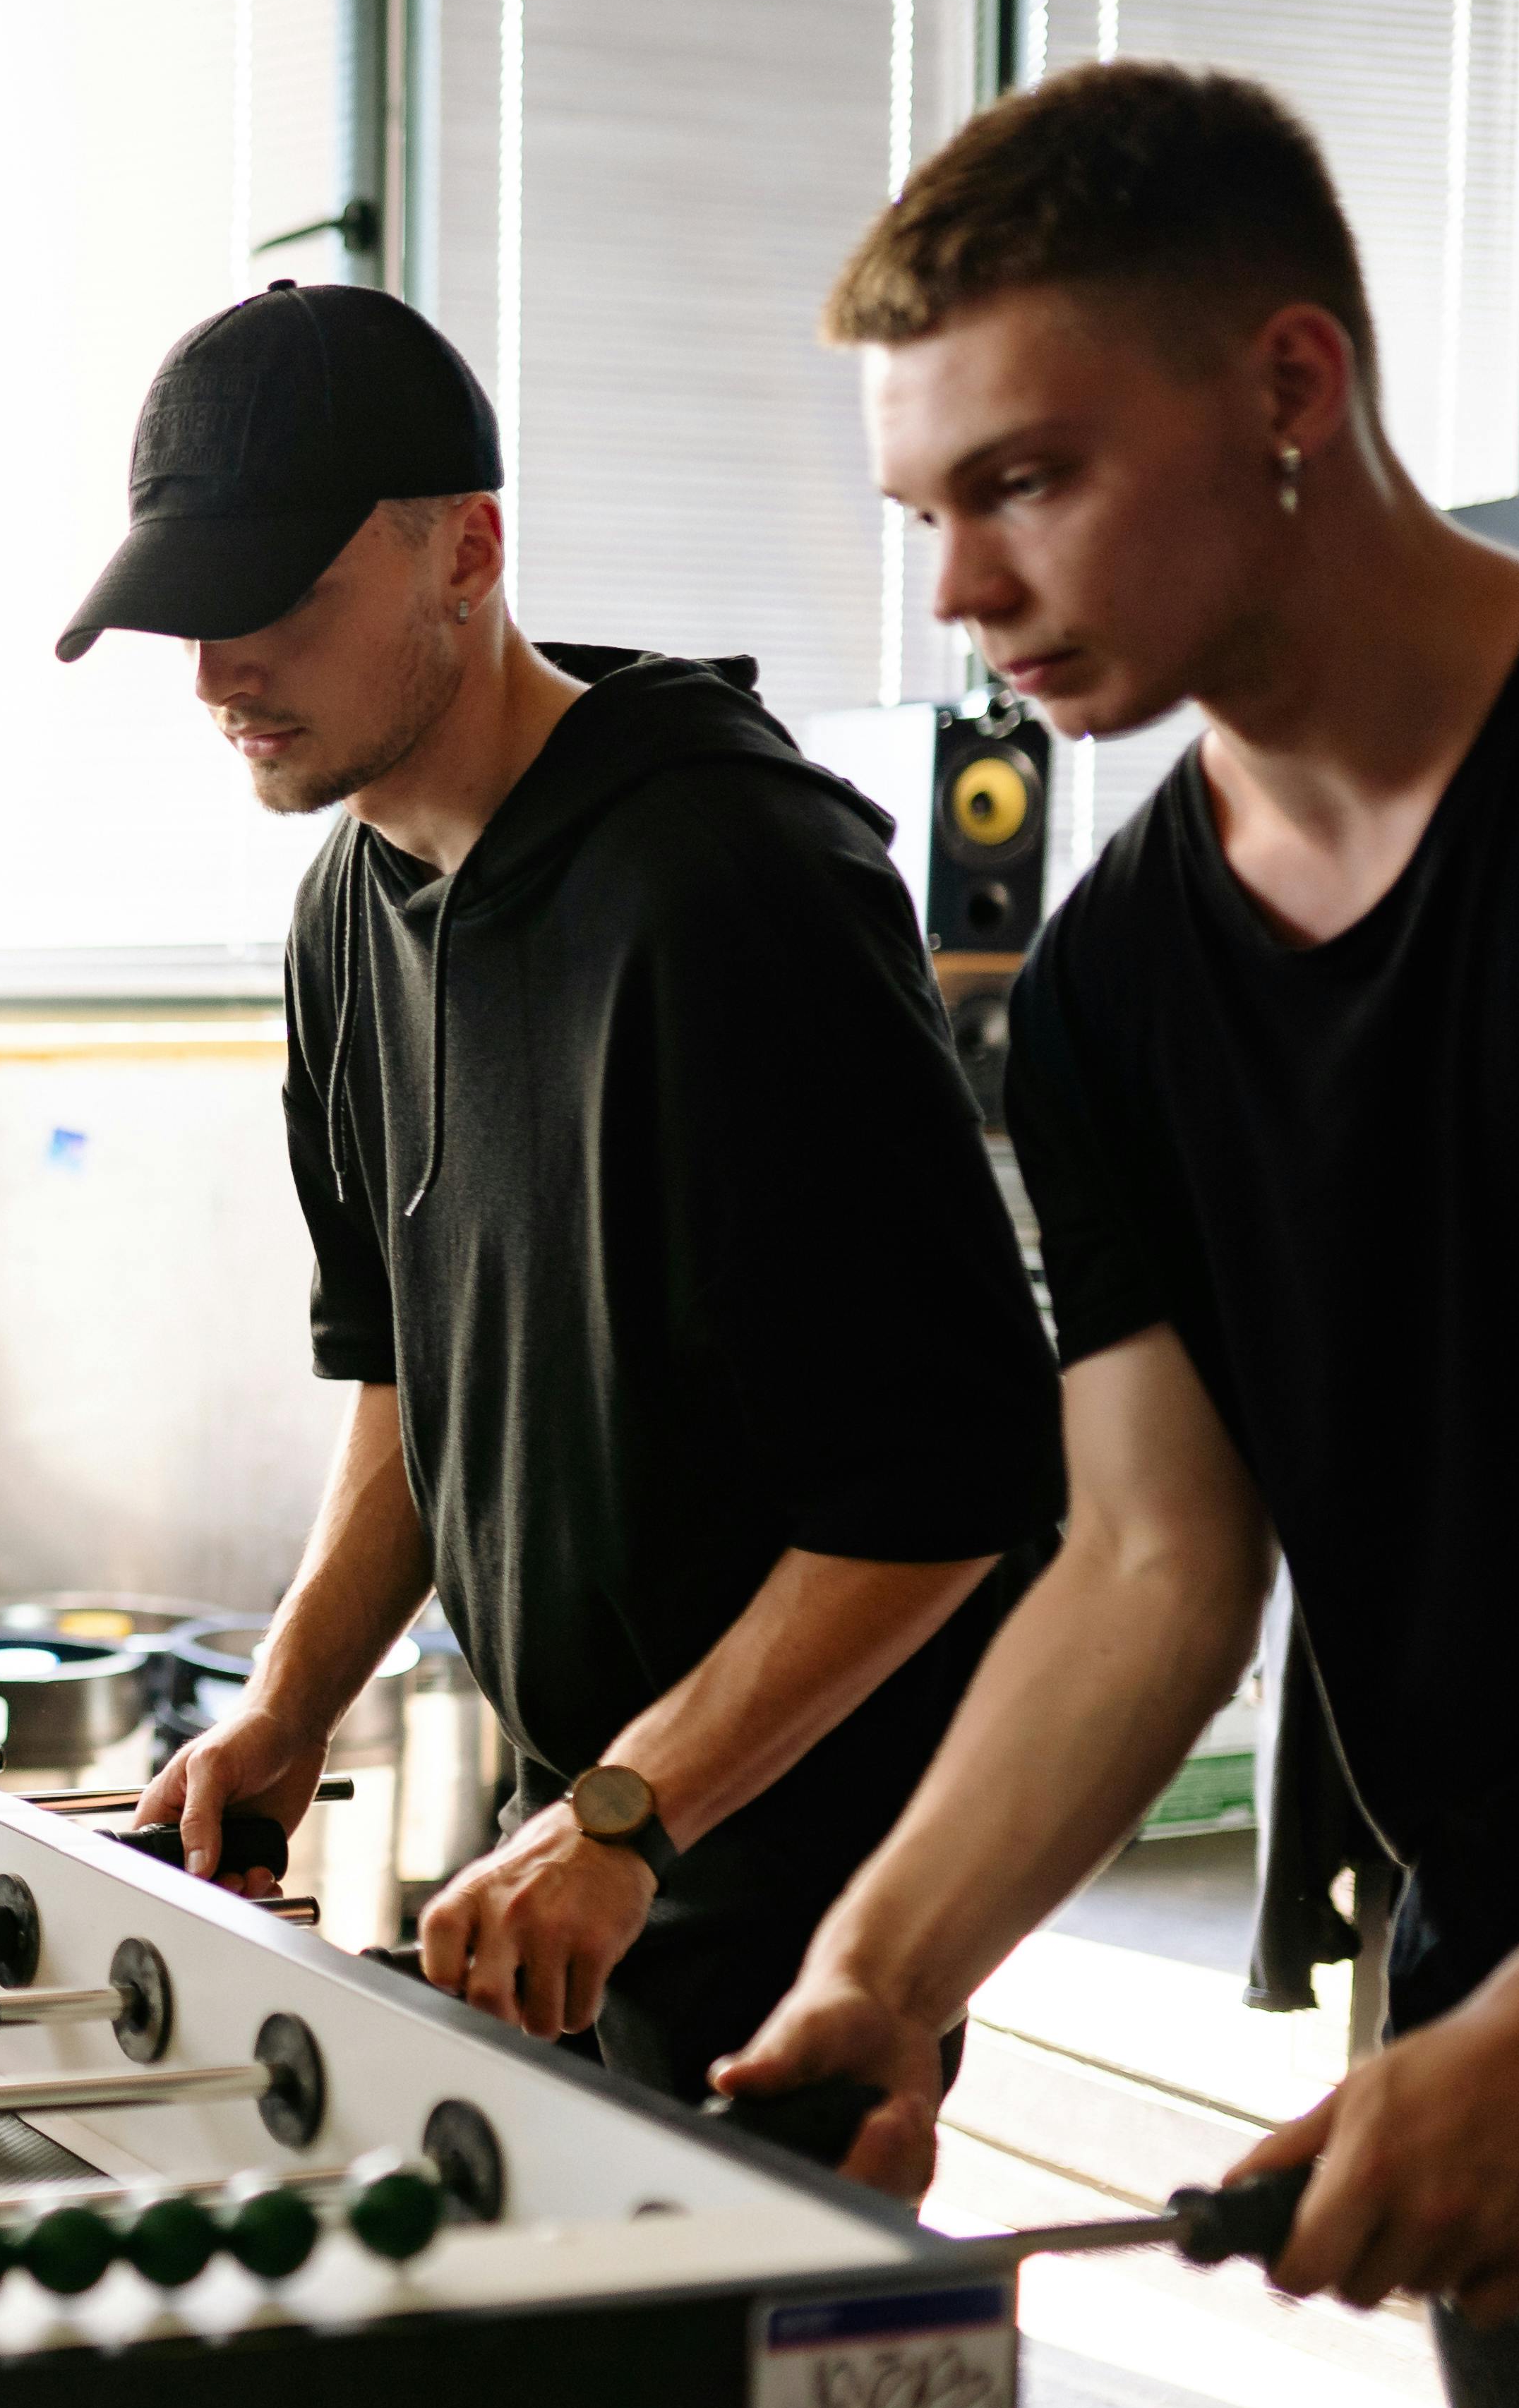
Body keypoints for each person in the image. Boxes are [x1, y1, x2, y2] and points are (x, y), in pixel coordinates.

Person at [717, 62, 1519, 2408]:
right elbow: (1155, 1559)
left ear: (1291, 388)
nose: (961, 589)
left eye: (1030, 480)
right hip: (1504, 1988)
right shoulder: (1111, 992)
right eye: (925, 516)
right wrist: (886, 1962)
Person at [75, 282, 1063, 2101]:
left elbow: (949, 1489)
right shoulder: (350, 903)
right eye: (182, 620)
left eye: (278, 605)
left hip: (787, 1867)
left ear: (469, 550)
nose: (217, 677)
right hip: (581, 1840)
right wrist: (290, 1705)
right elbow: (410, 1376)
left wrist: (628, 1818)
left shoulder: (730, 888)